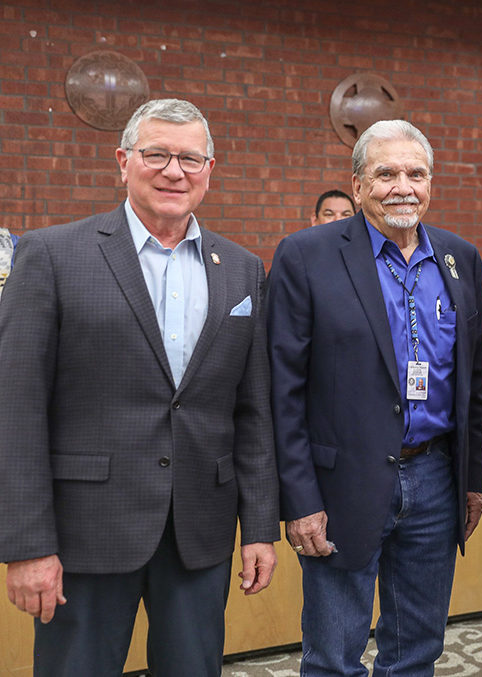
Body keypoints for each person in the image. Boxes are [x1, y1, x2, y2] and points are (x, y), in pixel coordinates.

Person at [0, 98, 278, 676]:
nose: (174, 171)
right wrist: (27, 545)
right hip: (84, 535)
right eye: (157, 155)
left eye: (190, 159)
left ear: (210, 170)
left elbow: (252, 413)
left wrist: (258, 528)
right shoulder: (52, 255)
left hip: (199, 532)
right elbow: (16, 408)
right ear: (123, 161)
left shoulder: (244, 270)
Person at [269, 119, 482, 676]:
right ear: (358, 184)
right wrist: (299, 499)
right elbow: (283, 389)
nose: (403, 186)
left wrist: (472, 483)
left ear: (431, 182)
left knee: (416, 651)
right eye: (386, 173)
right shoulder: (305, 255)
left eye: (416, 173)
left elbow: (474, 382)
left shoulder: (460, 259)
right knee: (333, 658)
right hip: (341, 484)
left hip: (436, 479)